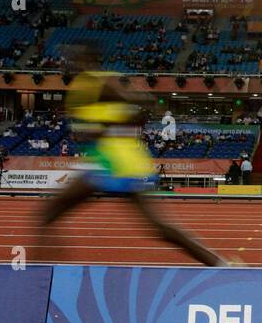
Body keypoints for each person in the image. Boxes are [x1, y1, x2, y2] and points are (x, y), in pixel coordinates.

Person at [38, 50, 229, 266]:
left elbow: (143, 105)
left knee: (48, 214)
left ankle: (41, 276)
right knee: (160, 228)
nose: (72, 63)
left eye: (77, 58)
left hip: (117, 162)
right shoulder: (82, 86)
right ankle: (219, 263)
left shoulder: (102, 81)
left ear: (90, 60)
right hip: (107, 162)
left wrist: (109, 126)